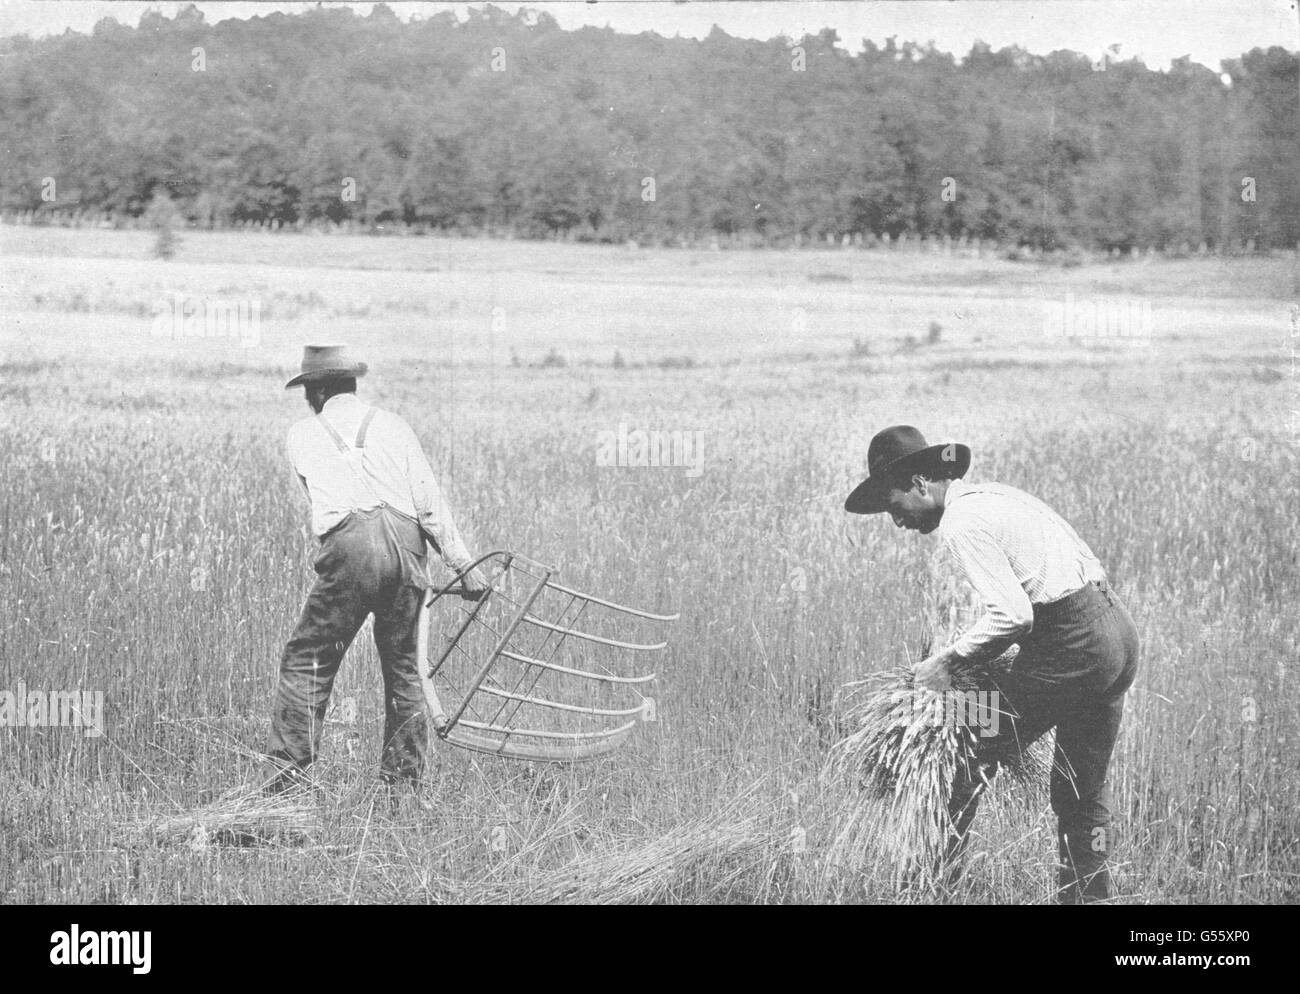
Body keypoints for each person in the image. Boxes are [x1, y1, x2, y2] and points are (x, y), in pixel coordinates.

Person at [844, 425, 1140, 903]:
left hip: (1074, 647)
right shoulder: (996, 497)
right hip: (1115, 636)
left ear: (920, 483)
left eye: (894, 506)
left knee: (959, 747)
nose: (895, 521)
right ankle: (1091, 899)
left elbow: (1013, 616)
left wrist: (949, 661)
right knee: (1081, 793)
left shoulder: (961, 522)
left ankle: (933, 892)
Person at [265, 344, 488, 798]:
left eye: (309, 389)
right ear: (351, 383)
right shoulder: (393, 425)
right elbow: (428, 499)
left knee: (307, 660)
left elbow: (323, 504)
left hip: (351, 548)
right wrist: (462, 563)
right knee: (405, 668)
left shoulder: (301, 435)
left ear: (318, 389)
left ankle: (285, 790)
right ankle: (402, 790)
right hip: (409, 549)